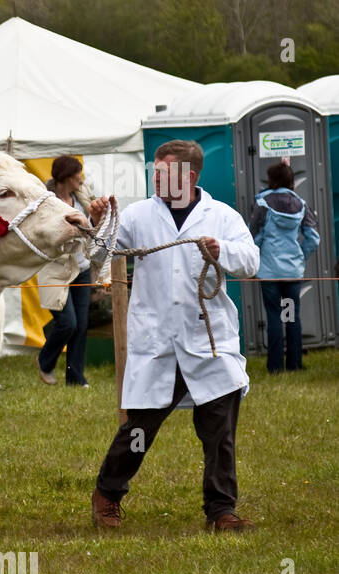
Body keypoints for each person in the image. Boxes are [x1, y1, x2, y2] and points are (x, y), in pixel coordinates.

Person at [89, 140, 260, 532]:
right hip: (158, 343)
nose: (157, 177)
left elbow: (251, 262)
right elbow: (97, 256)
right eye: (156, 170)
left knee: (219, 433)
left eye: (165, 172)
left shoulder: (222, 216)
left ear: (191, 176)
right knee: (138, 431)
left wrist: (223, 250)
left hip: (210, 343)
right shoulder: (137, 216)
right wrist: (97, 222)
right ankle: (107, 494)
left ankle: (221, 512)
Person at [36, 156, 104, 387]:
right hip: (55, 269)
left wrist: (96, 217)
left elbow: (92, 230)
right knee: (68, 324)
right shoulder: (46, 203)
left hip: (81, 268)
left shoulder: (81, 198)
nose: (81, 180)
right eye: (77, 176)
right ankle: (45, 361)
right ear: (66, 177)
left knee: (81, 326)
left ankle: (75, 378)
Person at [249, 161, 321, 373]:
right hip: (292, 273)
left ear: (271, 181)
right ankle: (295, 365)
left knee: (273, 317)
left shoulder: (263, 204)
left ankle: (275, 367)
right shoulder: (301, 204)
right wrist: (300, 257)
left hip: (269, 273)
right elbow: (313, 239)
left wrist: (258, 258)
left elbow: (251, 236)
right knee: (290, 316)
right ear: (291, 181)